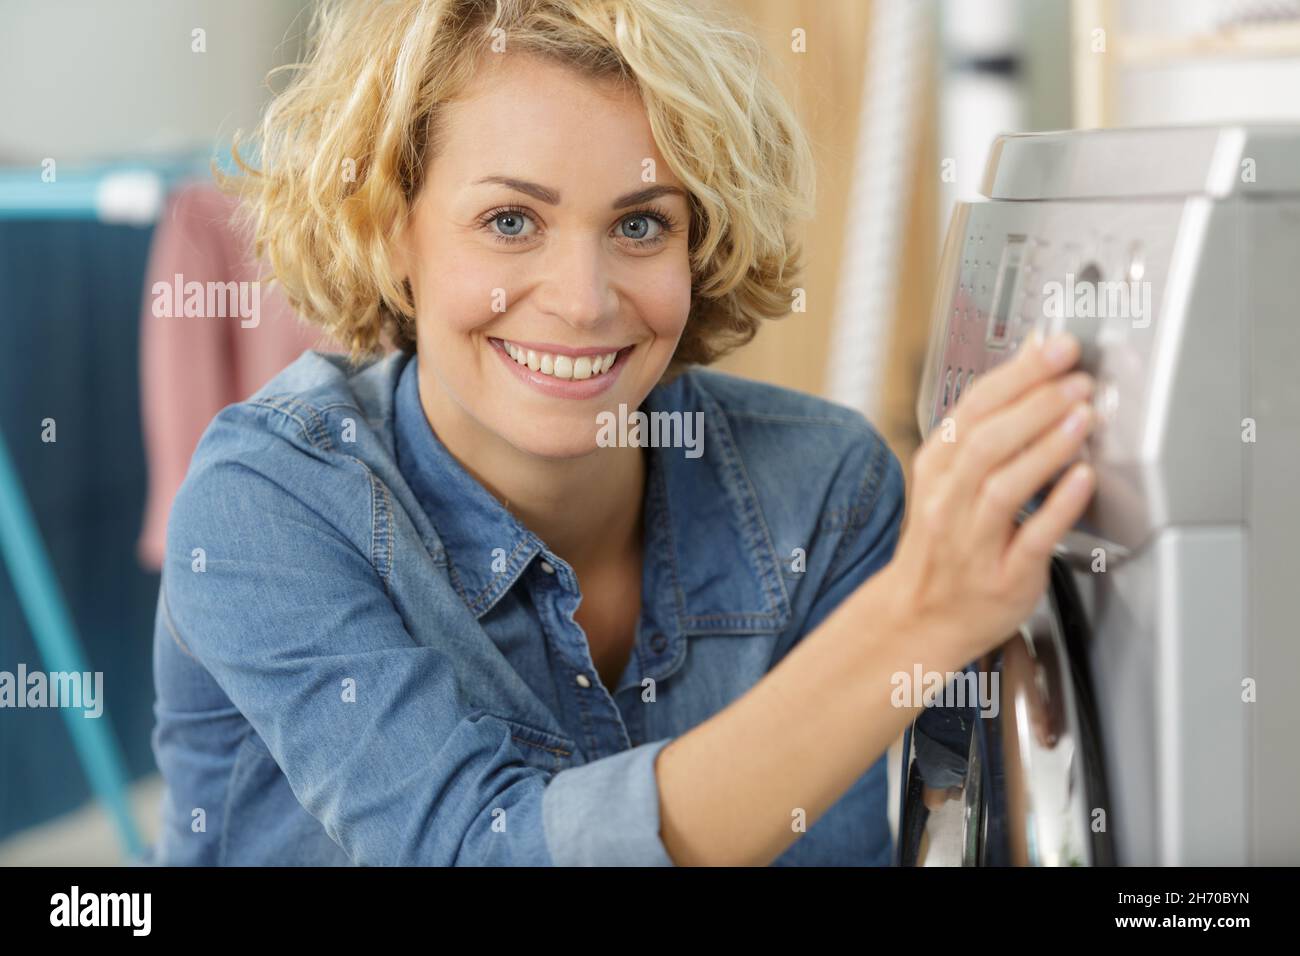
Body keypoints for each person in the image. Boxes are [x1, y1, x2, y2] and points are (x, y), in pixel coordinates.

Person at [148, 0, 1096, 866]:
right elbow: (481, 853)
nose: (583, 300)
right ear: (395, 228)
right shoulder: (265, 508)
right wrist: (918, 624)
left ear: (700, 241)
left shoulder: (826, 493)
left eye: (641, 225)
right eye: (511, 219)